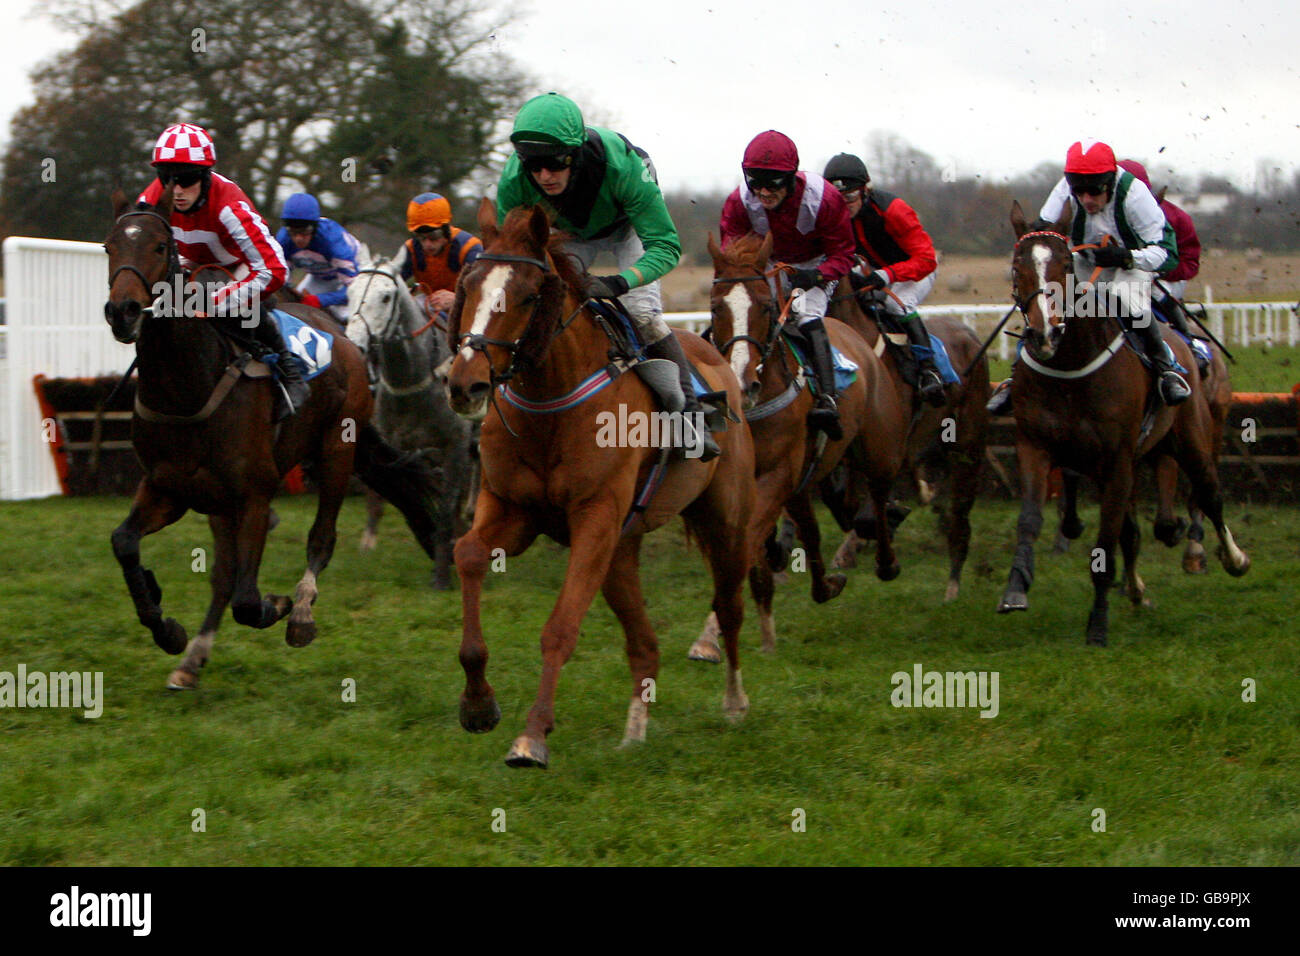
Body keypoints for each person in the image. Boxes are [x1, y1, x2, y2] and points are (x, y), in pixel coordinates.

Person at [497, 91, 717, 460]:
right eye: (534, 166)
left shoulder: (625, 168)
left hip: (626, 224)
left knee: (643, 315)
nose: (544, 176)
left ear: (576, 153)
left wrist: (620, 282)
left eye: (554, 163)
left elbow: (665, 246)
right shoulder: (514, 181)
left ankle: (689, 417)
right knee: (540, 306)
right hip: (567, 233)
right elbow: (512, 260)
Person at [987, 139, 1187, 414]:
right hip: (1082, 259)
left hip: (1132, 263)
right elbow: (1045, 231)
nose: (1086, 200)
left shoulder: (1136, 196)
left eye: (1094, 192)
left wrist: (1127, 257)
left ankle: (1165, 369)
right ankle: (1016, 375)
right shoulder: (1065, 189)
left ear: (1109, 182)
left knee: (1127, 299)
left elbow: (1168, 254)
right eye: (1079, 193)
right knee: (1047, 300)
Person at [135, 123, 307, 413]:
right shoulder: (151, 199)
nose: (176, 190)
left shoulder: (230, 207)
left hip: (240, 268)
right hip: (192, 264)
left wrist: (214, 303)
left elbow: (275, 270)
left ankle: (291, 373)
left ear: (204, 176)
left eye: (187, 179)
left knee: (241, 311)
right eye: (167, 178)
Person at [719, 130, 855, 439]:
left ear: (792, 178)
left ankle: (827, 398)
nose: (763, 192)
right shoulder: (739, 201)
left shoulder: (825, 199)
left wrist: (817, 275)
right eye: (756, 182)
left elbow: (844, 254)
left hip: (814, 264)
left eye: (773, 185)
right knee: (737, 315)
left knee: (805, 316)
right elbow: (732, 249)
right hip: (764, 264)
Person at [823, 152, 946, 405]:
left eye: (850, 196)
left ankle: (928, 369)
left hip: (915, 270)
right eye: (837, 198)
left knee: (895, 303)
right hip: (875, 271)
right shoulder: (830, 216)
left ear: (865, 189)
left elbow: (926, 259)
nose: (844, 204)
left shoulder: (894, 210)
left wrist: (887, 275)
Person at [1117, 159, 1202, 341]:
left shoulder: (1177, 218)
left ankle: (1187, 340)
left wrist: (1157, 271)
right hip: (1115, 277)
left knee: (1155, 290)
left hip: (1165, 279)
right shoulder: (1094, 214)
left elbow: (1190, 264)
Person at [274, 192, 363, 327]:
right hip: (320, 277)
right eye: (293, 230)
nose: (298, 238)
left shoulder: (332, 242)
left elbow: (354, 290)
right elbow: (280, 279)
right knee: (294, 309)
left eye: (304, 231)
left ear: (315, 227)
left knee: (345, 318)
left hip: (354, 278)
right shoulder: (284, 240)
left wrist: (321, 300)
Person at [392, 192, 482, 318]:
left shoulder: (470, 248)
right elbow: (389, 283)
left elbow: (489, 294)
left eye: (433, 237)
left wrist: (458, 300)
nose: (427, 244)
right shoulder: (411, 249)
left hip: (468, 312)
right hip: (430, 306)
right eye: (421, 238)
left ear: (446, 230)